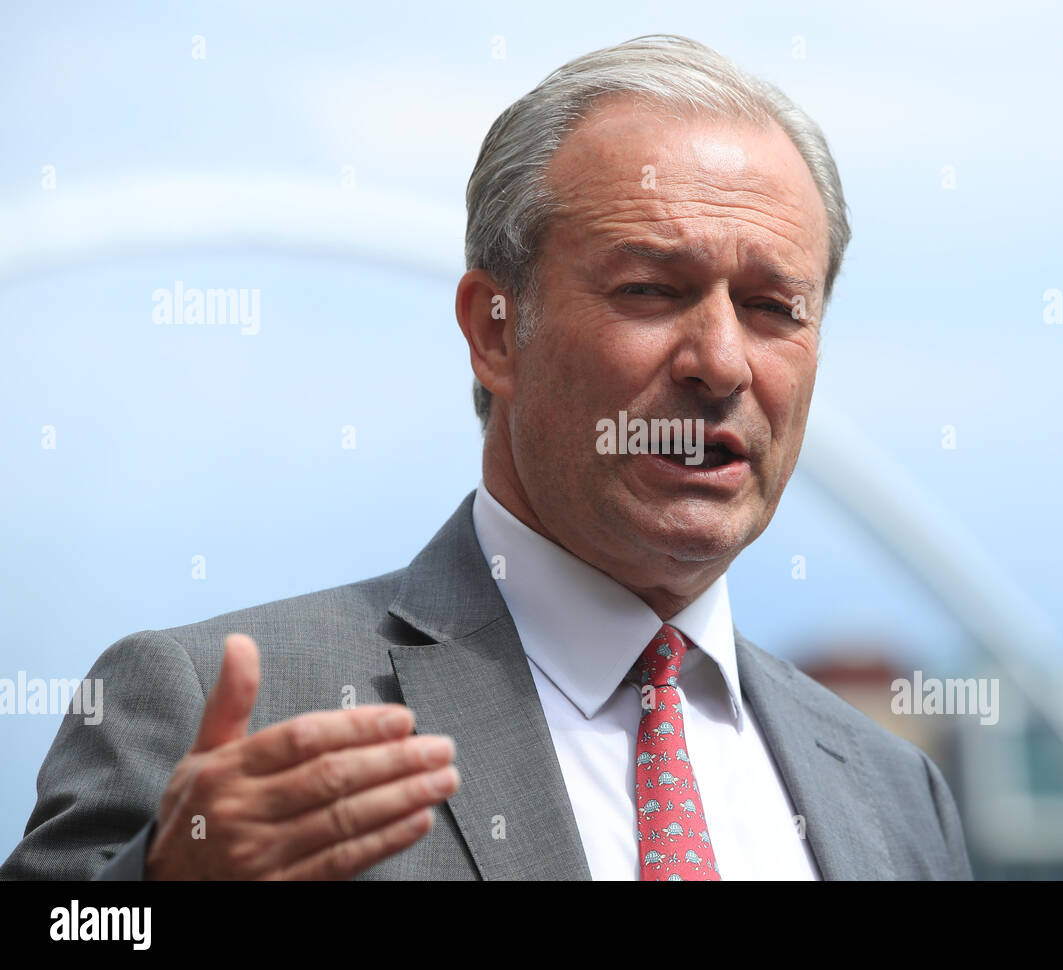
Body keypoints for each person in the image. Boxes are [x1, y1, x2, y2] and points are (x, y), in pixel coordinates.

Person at [1, 34, 972, 881]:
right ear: (495, 331)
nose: (720, 361)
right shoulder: (202, 702)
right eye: (649, 289)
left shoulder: (889, 790)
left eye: (773, 309)